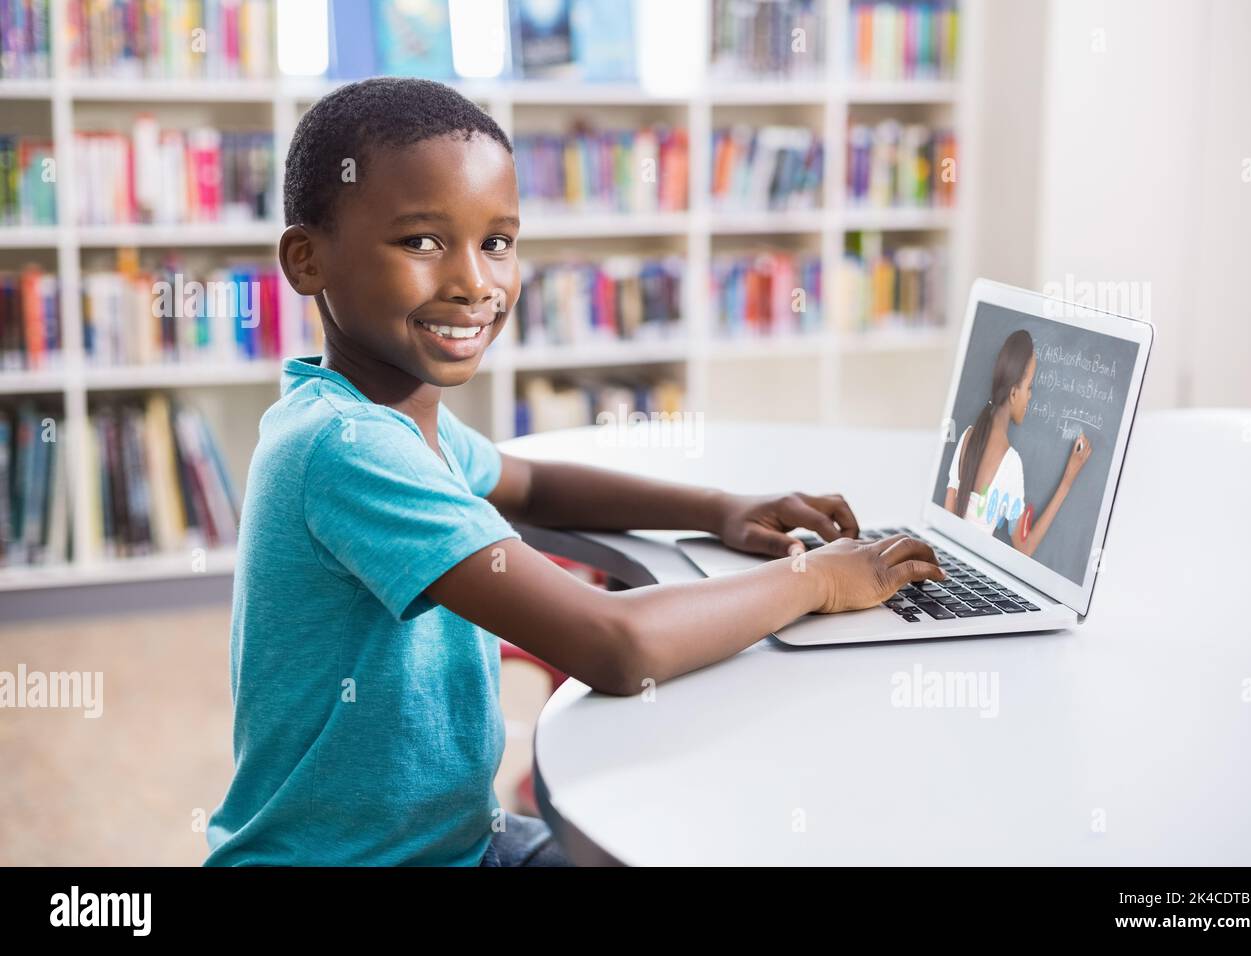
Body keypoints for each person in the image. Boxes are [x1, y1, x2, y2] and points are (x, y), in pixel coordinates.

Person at [204, 78, 944, 868]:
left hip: (454, 841)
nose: (473, 282)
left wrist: (721, 507)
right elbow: (613, 646)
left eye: (496, 242)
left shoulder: (391, 417)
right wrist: (818, 581)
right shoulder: (348, 447)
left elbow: (532, 484)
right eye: (421, 242)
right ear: (307, 260)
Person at [944, 329, 1092, 556]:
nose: (1031, 396)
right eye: (1029, 387)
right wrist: (1067, 481)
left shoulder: (967, 437)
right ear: (1014, 394)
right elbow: (1025, 547)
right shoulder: (1010, 463)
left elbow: (947, 523)